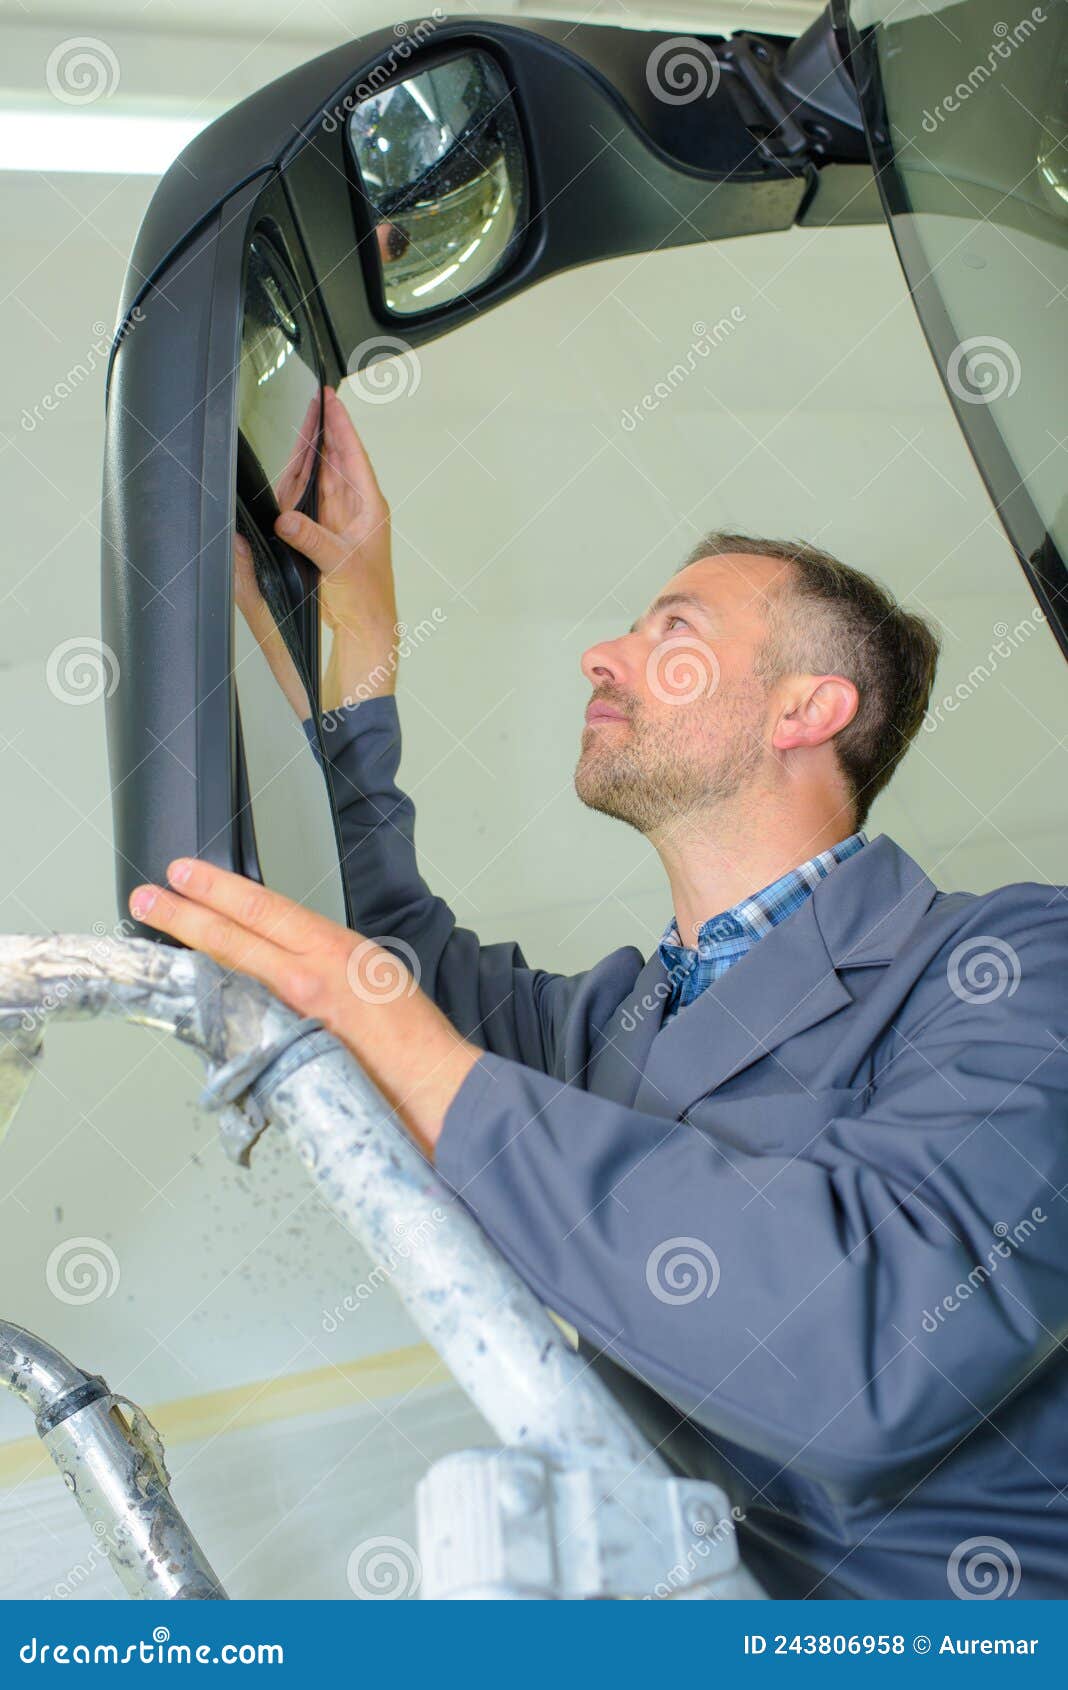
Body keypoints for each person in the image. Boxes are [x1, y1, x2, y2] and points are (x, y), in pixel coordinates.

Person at [131, 388, 1068, 1600]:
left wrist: (415, 1053)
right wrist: (355, 653)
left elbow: (869, 1353)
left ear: (807, 708)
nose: (602, 653)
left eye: (669, 629)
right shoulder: (624, 1021)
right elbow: (386, 956)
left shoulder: (1014, 968)